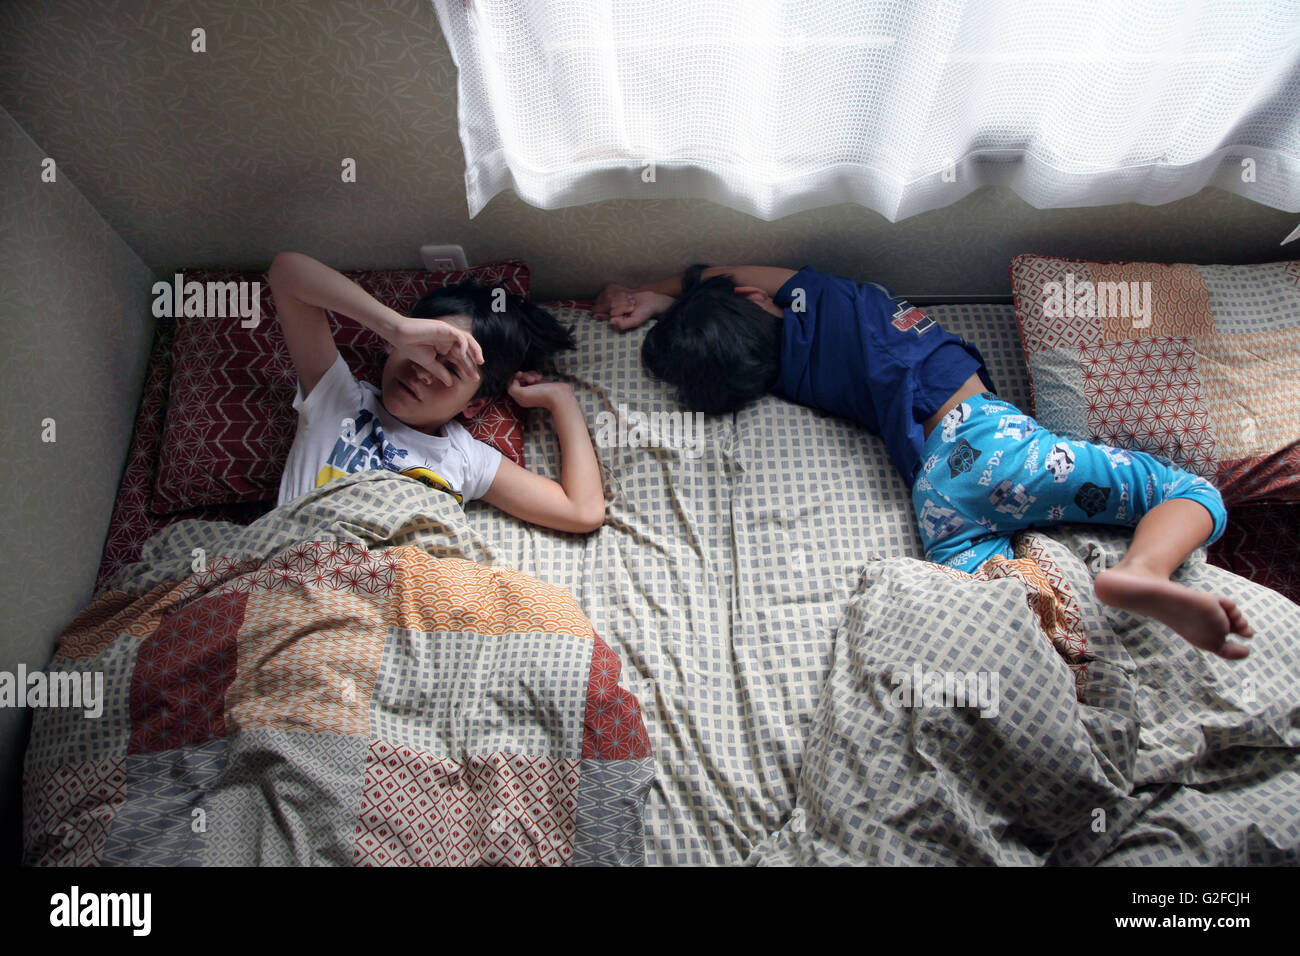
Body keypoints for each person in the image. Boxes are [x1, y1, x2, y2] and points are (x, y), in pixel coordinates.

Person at [594, 264, 1253, 659]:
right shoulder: (830, 302)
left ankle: (1049, 629)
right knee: (1189, 490)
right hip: (991, 441)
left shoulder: (789, 377)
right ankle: (1141, 568)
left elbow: (724, 306)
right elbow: (719, 271)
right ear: (755, 295)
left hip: (936, 493)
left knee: (989, 597)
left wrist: (675, 312)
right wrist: (659, 292)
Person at [268, 252, 604, 533]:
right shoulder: (339, 400)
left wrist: (562, 401)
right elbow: (287, 272)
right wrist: (395, 326)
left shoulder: (464, 456)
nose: (424, 371)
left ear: (474, 405)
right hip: (298, 577)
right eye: (423, 349)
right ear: (394, 345)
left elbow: (583, 512)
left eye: (451, 370)